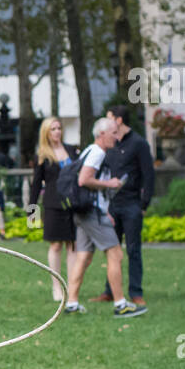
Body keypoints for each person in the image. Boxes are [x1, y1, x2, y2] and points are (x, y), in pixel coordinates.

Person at [65, 118, 142, 316]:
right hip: (92, 213)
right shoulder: (98, 153)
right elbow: (84, 180)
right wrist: (111, 184)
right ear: (102, 134)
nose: (117, 138)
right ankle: (120, 304)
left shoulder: (89, 150)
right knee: (115, 254)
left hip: (83, 211)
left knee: (83, 257)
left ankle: (71, 304)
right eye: (113, 133)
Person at [92, 105, 154, 309]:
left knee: (133, 250)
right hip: (111, 206)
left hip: (131, 205)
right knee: (111, 250)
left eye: (109, 118)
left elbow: (149, 175)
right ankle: (110, 291)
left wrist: (144, 204)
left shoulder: (139, 144)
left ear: (118, 120)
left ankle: (136, 292)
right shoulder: (108, 144)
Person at [31, 116, 78, 302]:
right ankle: (56, 287)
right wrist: (32, 214)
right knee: (56, 245)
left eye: (59, 128)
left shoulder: (72, 151)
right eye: (53, 129)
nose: (57, 131)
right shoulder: (42, 156)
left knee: (72, 245)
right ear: (46, 133)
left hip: (73, 204)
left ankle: (72, 287)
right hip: (52, 204)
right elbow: (35, 185)